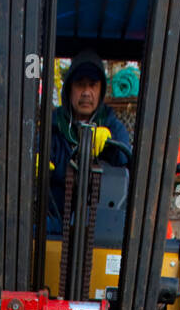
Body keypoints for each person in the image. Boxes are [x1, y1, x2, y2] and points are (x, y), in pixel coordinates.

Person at [47, 49, 132, 233]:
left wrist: (110, 143)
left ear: (101, 90)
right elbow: (34, 157)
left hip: (102, 229)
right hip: (54, 227)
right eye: (80, 84)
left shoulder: (113, 127)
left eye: (92, 85)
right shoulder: (53, 127)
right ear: (69, 88)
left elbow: (127, 161)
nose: (86, 92)